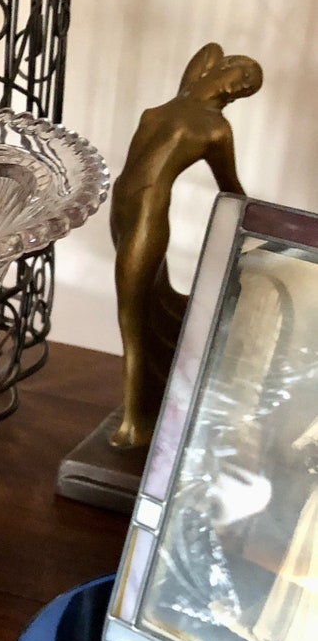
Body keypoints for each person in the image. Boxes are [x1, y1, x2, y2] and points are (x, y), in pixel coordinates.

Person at [109, 42, 263, 449]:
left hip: (147, 216)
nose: (243, 86)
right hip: (120, 207)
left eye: (248, 87)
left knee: (131, 317)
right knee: (144, 307)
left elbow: (232, 189)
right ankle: (155, 399)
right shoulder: (184, 95)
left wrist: (263, 229)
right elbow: (209, 51)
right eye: (245, 74)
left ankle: (134, 423)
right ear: (224, 66)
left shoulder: (217, 129)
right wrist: (215, 70)